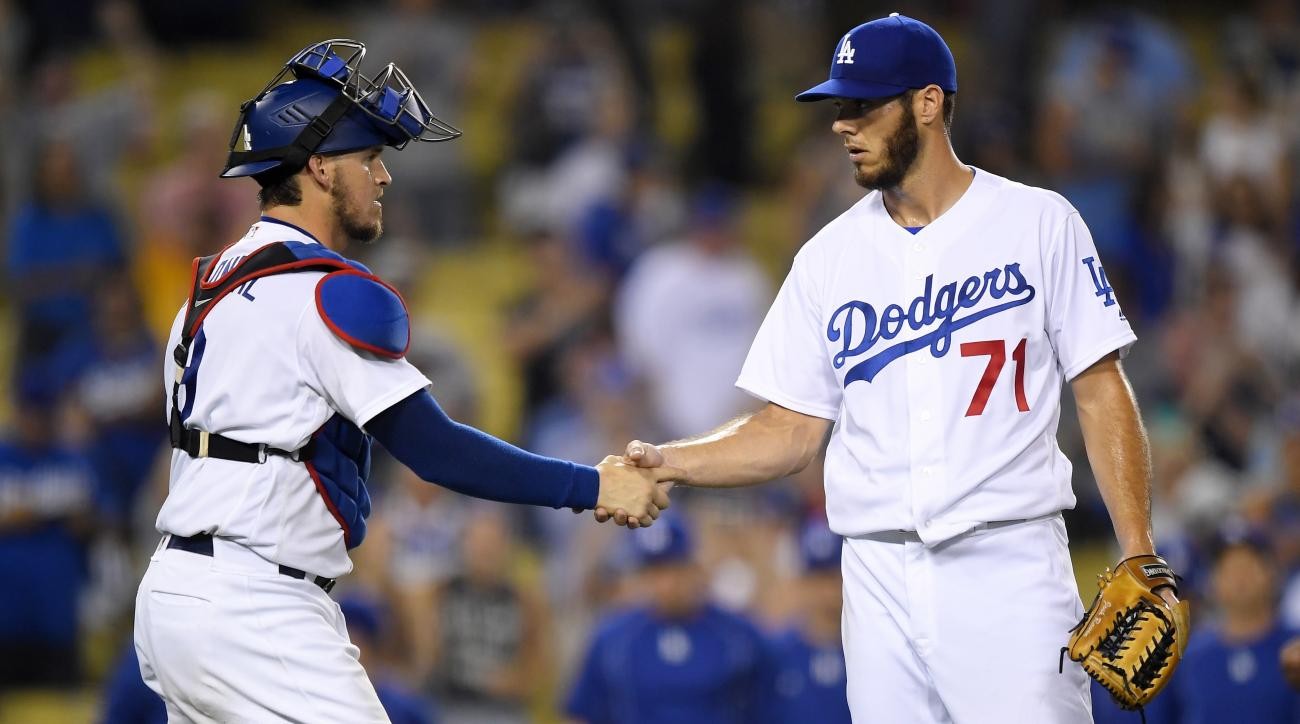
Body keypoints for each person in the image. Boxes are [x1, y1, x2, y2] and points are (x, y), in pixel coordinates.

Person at [611, 13, 1182, 722]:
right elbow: (789, 429)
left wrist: (1138, 550)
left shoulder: (1039, 222)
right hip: (876, 578)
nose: (842, 125)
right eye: (839, 107)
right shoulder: (826, 259)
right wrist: (670, 461)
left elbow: (1100, 390)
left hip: (1005, 560)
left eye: (863, 105)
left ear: (929, 103)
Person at [133, 39, 678, 722]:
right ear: (322, 167)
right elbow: (434, 448)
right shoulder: (322, 293)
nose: (383, 178)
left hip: (173, 600)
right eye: (370, 158)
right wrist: (593, 485)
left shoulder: (204, 294)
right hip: (256, 607)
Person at [563, 514, 771, 724]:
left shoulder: (739, 635)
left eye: (674, 568)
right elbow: (582, 714)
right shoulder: (613, 639)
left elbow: (772, 708)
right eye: (655, 571)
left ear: (693, 565)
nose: (666, 584)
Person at [1137, 529, 1299, 723]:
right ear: (1212, 580)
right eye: (1228, 569)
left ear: (1271, 573)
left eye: (1248, 566)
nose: (1240, 578)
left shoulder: (1294, 647)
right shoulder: (1185, 654)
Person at [764, 519, 851, 724]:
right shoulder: (775, 653)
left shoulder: (872, 648)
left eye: (833, 577)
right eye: (816, 578)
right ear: (800, 582)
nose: (826, 591)